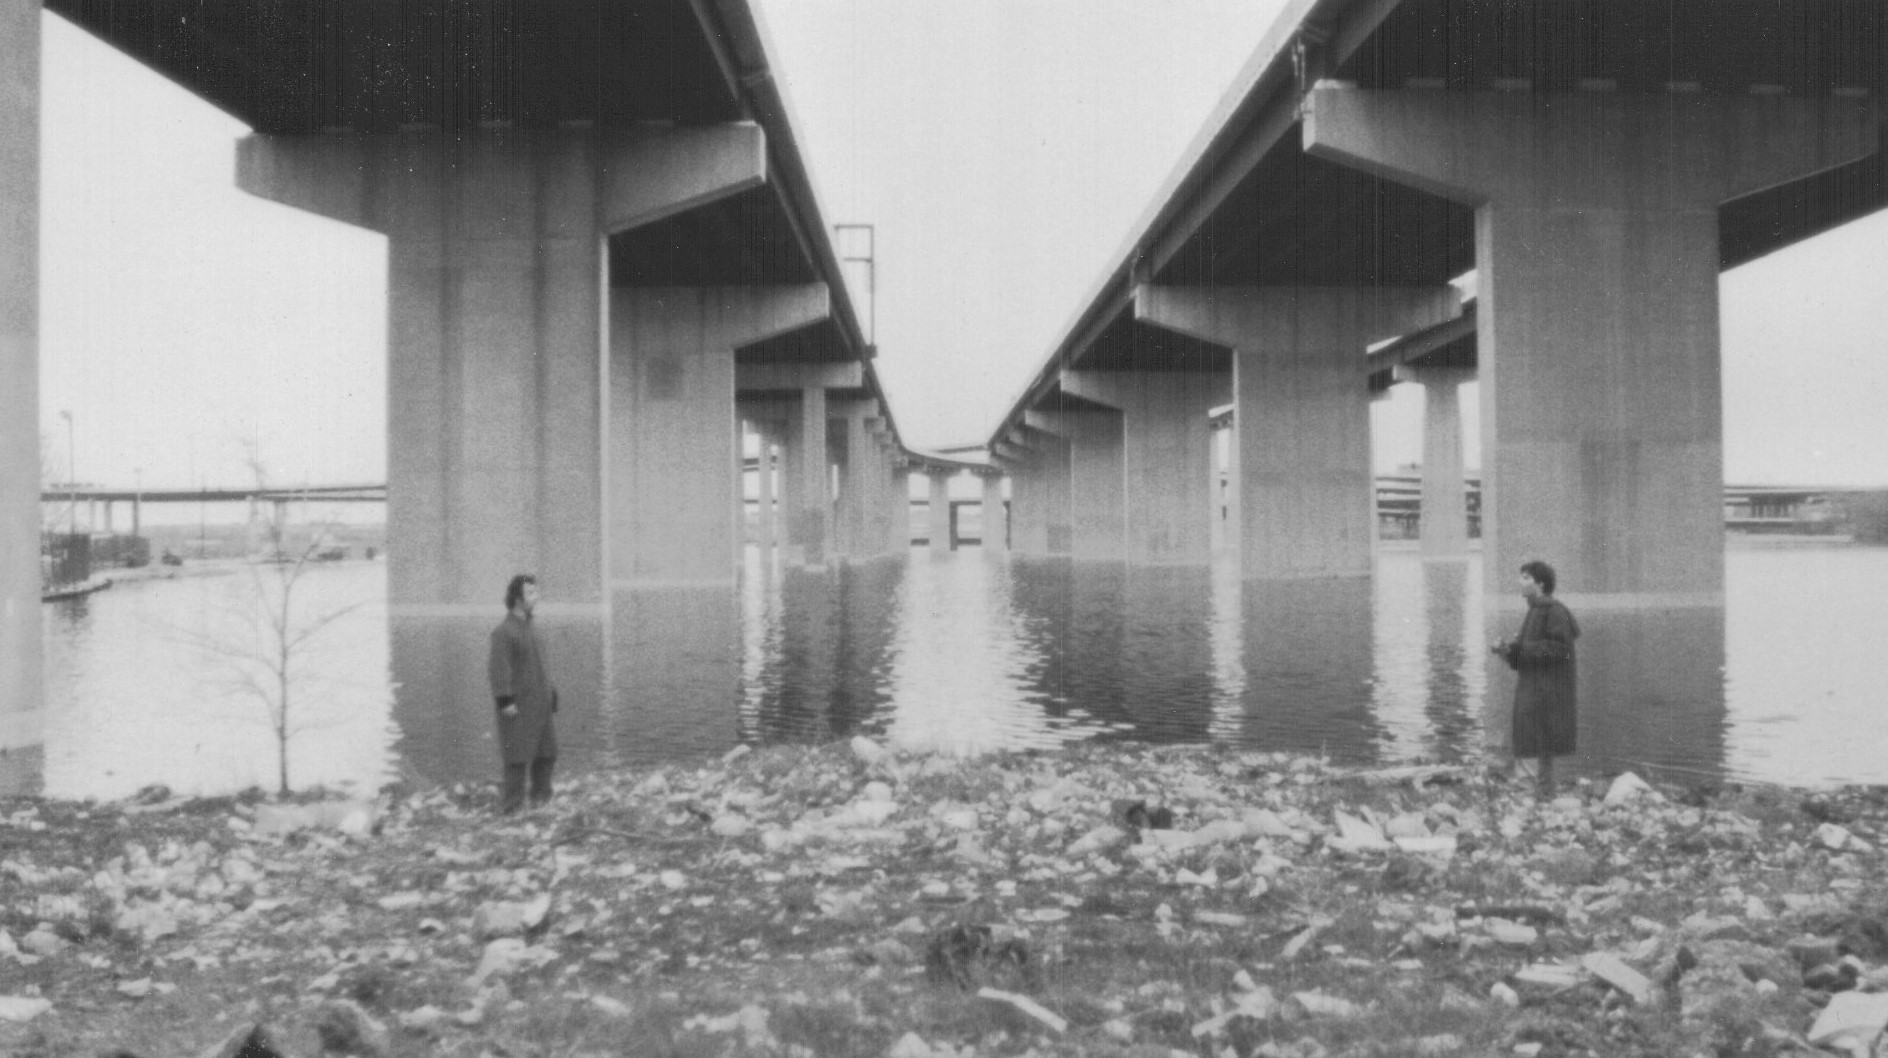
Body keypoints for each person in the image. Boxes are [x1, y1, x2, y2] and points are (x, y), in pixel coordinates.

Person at [1490, 559, 1579, 799]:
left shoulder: (1554, 611)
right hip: (1537, 688)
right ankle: (1542, 795)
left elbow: (1559, 649)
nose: (1520, 582)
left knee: (1539, 739)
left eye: (1526, 578)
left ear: (1540, 583)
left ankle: (1537, 795)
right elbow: (1526, 655)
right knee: (1538, 740)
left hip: (1547, 690)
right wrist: (1507, 651)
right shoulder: (1536, 610)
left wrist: (1520, 651)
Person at [489, 573, 558, 813]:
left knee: (547, 752)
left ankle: (541, 801)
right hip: (518, 707)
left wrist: (551, 691)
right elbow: (499, 670)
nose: (536, 597)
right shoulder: (504, 632)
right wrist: (505, 700)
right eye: (531, 593)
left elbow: (541, 664)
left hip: (540, 704)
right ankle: (512, 809)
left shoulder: (533, 628)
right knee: (516, 758)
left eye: (536, 592)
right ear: (517, 598)